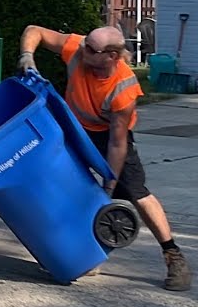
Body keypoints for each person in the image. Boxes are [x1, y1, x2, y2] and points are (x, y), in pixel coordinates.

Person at [18, 24, 191, 292]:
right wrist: (27, 55)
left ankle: (173, 256)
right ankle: (88, 254)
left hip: (107, 136)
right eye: (86, 44)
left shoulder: (123, 89)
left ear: (111, 56)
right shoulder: (78, 49)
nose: (83, 50)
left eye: (91, 49)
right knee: (72, 189)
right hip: (73, 129)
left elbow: (117, 143)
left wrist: (109, 185)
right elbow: (34, 31)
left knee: (137, 193)